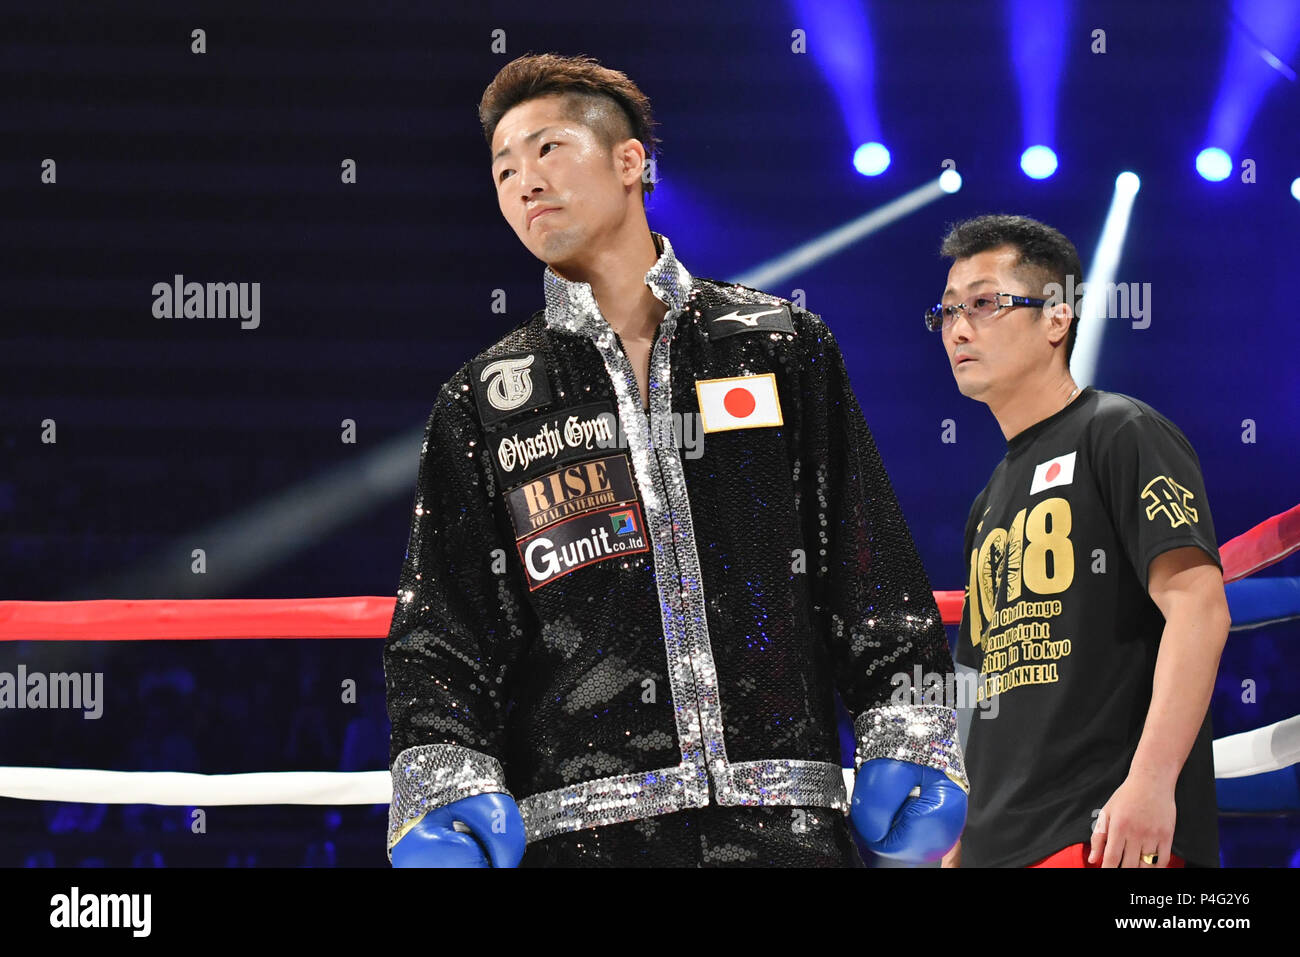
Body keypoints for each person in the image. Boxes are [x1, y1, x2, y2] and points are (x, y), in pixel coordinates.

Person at [383, 52, 967, 868]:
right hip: (582, 837)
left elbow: (866, 565)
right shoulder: (482, 397)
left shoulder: (778, 343)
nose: (523, 180)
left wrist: (908, 724)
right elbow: (445, 626)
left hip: (784, 822)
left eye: (548, 149)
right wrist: (443, 775)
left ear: (631, 162)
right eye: (503, 166)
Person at [929, 214, 1229, 868]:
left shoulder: (1120, 432)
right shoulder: (987, 502)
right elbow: (980, 681)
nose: (957, 328)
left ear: (1057, 318)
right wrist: (960, 836)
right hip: (992, 847)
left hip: (1104, 833)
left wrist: (1151, 781)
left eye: (983, 303)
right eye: (947, 311)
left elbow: (1199, 605)